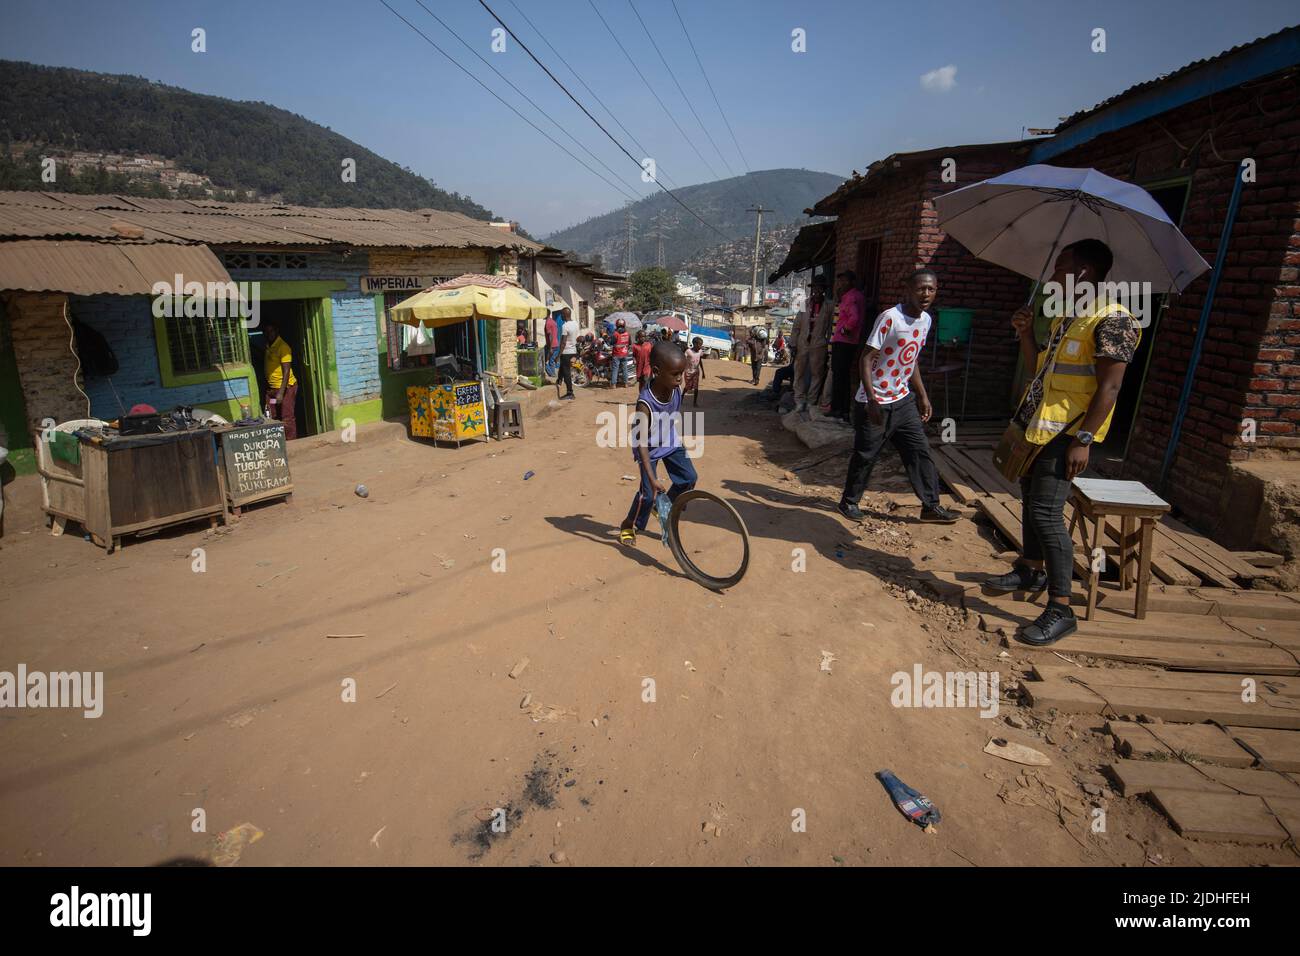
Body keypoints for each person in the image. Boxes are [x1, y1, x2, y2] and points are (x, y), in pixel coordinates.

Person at [985, 239, 1139, 647]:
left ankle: (1061, 607)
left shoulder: (1115, 320)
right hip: (1040, 426)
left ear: (1083, 272)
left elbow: (1110, 387)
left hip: (1069, 433)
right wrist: (1024, 332)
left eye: (1060, 267)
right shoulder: (1070, 317)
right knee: (1028, 495)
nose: (1052, 275)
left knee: (1047, 512)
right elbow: (1040, 366)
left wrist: (1084, 440)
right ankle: (1030, 568)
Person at [837, 269, 959, 525]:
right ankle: (849, 502)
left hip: (903, 400)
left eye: (931, 289)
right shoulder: (890, 318)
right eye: (920, 289)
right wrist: (871, 399)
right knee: (866, 454)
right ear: (908, 289)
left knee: (919, 451)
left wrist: (922, 395)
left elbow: (910, 360)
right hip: (876, 401)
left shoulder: (925, 320)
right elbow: (866, 358)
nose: (926, 294)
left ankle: (930, 506)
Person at [619, 341, 697, 546]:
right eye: (675, 374)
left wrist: (686, 386)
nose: (679, 378)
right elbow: (641, 443)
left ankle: (664, 506)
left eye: (682, 373)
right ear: (656, 371)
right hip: (648, 449)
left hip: (669, 440)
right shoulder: (645, 404)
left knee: (689, 478)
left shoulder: (675, 388)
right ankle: (628, 524)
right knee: (647, 495)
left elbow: (672, 411)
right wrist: (653, 479)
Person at [829, 270, 866, 421]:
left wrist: (844, 330)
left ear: (851, 282)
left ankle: (838, 409)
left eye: (845, 281)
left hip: (844, 341)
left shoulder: (850, 297)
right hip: (850, 342)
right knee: (843, 376)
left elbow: (854, 318)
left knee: (839, 375)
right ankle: (842, 410)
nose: (842, 284)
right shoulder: (856, 296)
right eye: (841, 281)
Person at [794, 277, 833, 413]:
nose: (817, 291)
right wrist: (793, 343)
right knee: (799, 371)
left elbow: (830, 328)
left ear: (823, 290)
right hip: (803, 343)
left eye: (819, 288)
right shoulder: (805, 303)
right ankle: (799, 400)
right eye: (815, 288)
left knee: (817, 373)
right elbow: (797, 325)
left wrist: (829, 346)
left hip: (819, 345)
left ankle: (811, 401)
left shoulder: (829, 306)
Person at [262, 321, 299, 440]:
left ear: (276, 331)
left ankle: (291, 442)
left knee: (287, 416)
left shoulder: (283, 347)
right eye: (266, 332)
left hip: (285, 389)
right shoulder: (269, 345)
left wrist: (281, 393)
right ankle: (277, 441)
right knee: (271, 414)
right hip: (272, 390)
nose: (269, 334)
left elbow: (286, 371)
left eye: (271, 331)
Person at [557, 306, 579, 401]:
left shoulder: (565, 326)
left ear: (564, 315)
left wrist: (558, 355)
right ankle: (559, 380)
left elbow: (563, 342)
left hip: (566, 352)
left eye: (561, 314)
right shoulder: (575, 323)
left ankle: (570, 393)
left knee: (567, 372)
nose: (560, 316)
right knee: (563, 368)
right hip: (573, 351)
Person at [683, 336, 706, 407]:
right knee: (687, 387)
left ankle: (694, 403)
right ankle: (682, 396)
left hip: (696, 372)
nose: (700, 346)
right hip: (688, 372)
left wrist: (703, 372)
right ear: (694, 344)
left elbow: (700, 361)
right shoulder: (688, 352)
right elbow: (683, 361)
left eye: (701, 344)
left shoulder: (700, 351)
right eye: (699, 344)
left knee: (696, 387)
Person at [544, 310, 560, 378]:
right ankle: (553, 374)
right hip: (556, 344)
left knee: (546, 362)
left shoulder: (548, 323)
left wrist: (550, 348)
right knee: (552, 361)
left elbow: (550, 336)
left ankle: (552, 374)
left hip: (552, 345)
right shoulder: (553, 321)